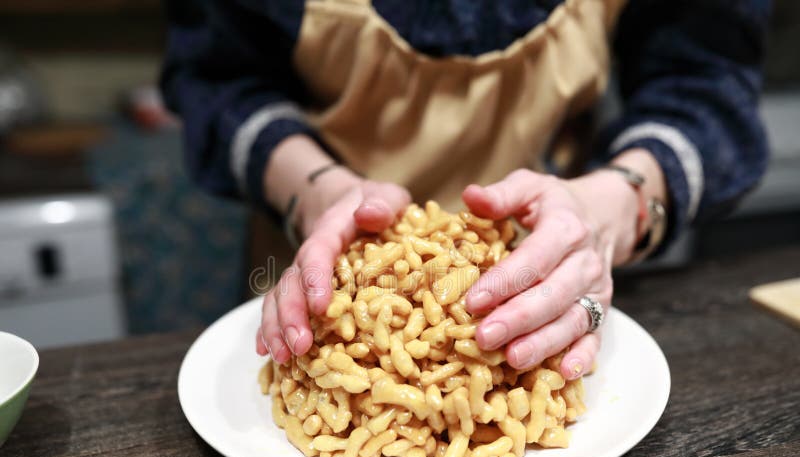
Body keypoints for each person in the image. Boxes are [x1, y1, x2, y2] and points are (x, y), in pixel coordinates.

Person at [161, 0, 770, 379]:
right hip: (322, 275)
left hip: (554, 289)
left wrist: (616, 202)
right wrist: (316, 189)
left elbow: (705, 77)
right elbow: (217, 76)